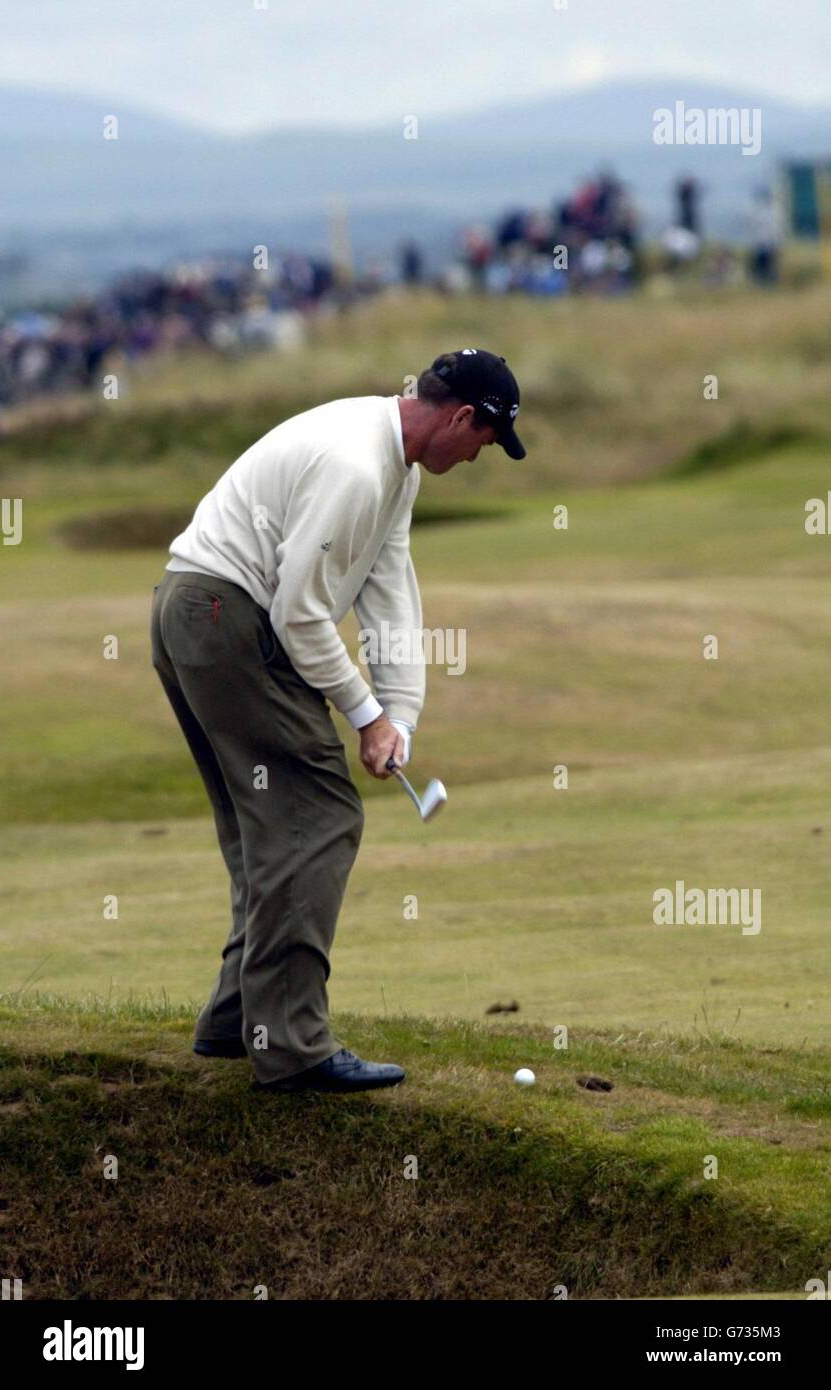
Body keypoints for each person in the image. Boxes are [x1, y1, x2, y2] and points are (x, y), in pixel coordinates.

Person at [151, 349, 526, 1093]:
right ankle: (292, 1046)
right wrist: (365, 715)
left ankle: (238, 1018)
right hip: (225, 614)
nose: (479, 456)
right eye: (485, 441)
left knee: (267, 826)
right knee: (318, 816)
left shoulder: (395, 466)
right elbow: (300, 612)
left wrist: (399, 716)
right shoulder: (357, 466)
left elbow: (389, 594)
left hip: (192, 609)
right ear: (460, 417)